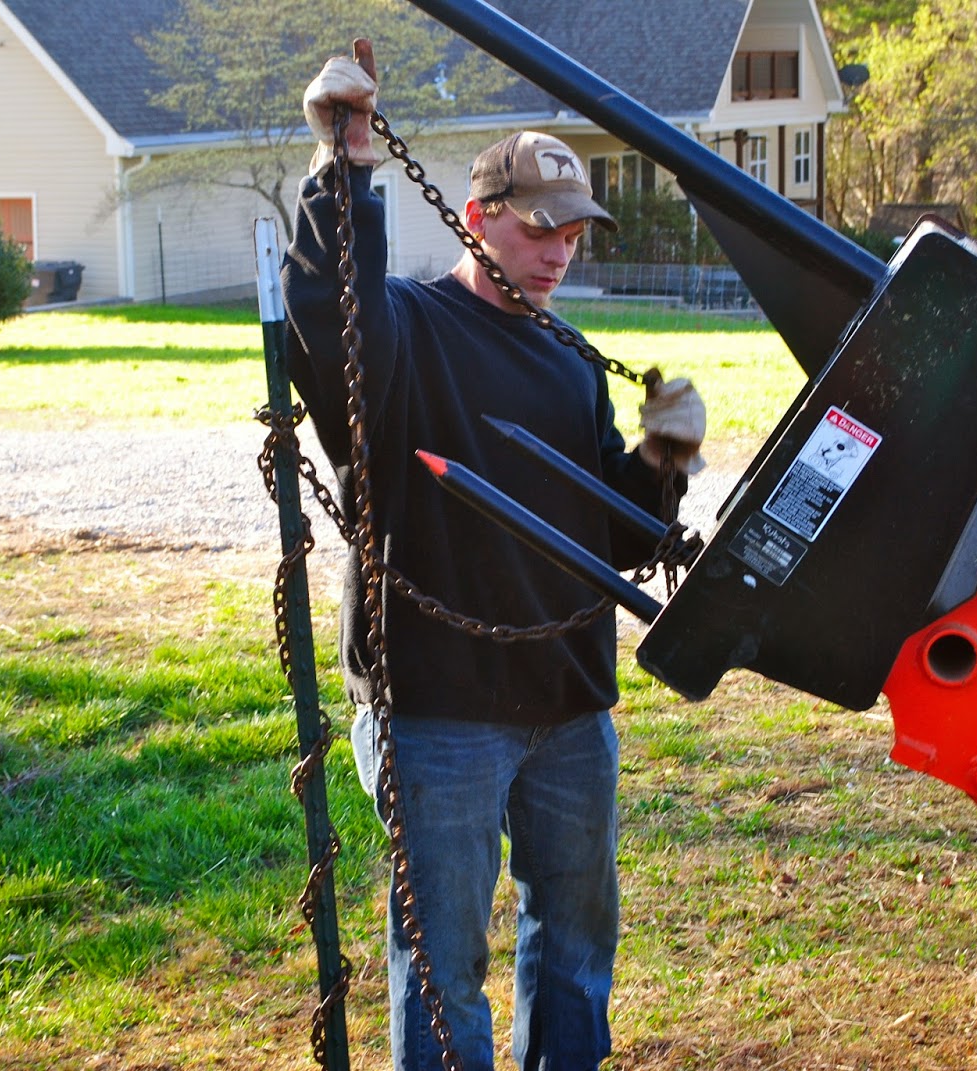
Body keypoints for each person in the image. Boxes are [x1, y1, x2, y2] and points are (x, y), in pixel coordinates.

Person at [281, 48, 706, 1071]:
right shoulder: (408, 331)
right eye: (535, 225)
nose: (558, 249)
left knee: (573, 941)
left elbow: (619, 538)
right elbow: (326, 330)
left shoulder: (566, 359)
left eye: (572, 231)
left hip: (568, 706)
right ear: (478, 217)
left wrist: (660, 462)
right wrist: (344, 162)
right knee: (442, 965)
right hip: (436, 710)